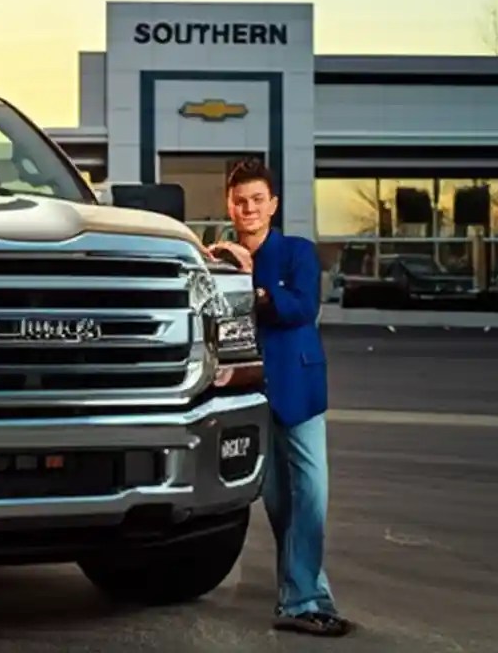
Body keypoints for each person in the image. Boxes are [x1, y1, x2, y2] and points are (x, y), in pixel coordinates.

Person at [208, 158, 355, 637]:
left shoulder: (296, 251)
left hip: (299, 389)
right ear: (228, 206)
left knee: (313, 495)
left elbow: (301, 307)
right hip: (248, 396)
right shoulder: (219, 259)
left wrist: (256, 286)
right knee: (279, 505)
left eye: (257, 200)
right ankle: (306, 595)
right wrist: (223, 271)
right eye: (239, 201)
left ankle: (302, 598)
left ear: (272, 204)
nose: (248, 208)